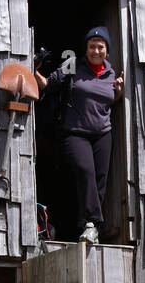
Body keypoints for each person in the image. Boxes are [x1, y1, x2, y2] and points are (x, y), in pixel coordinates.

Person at [35, 26, 124, 245]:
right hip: (75, 133)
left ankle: (89, 227)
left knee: (100, 180)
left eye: (100, 47)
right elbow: (49, 83)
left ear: (107, 50)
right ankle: (92, 222)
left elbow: (107, 102)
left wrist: (119, 93)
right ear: (86, 49)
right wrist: (33, 70)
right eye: (92, 46)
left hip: (102, 132)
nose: (96, 51)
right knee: (86, 171)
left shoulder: (112, 74)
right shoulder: (72, 64)